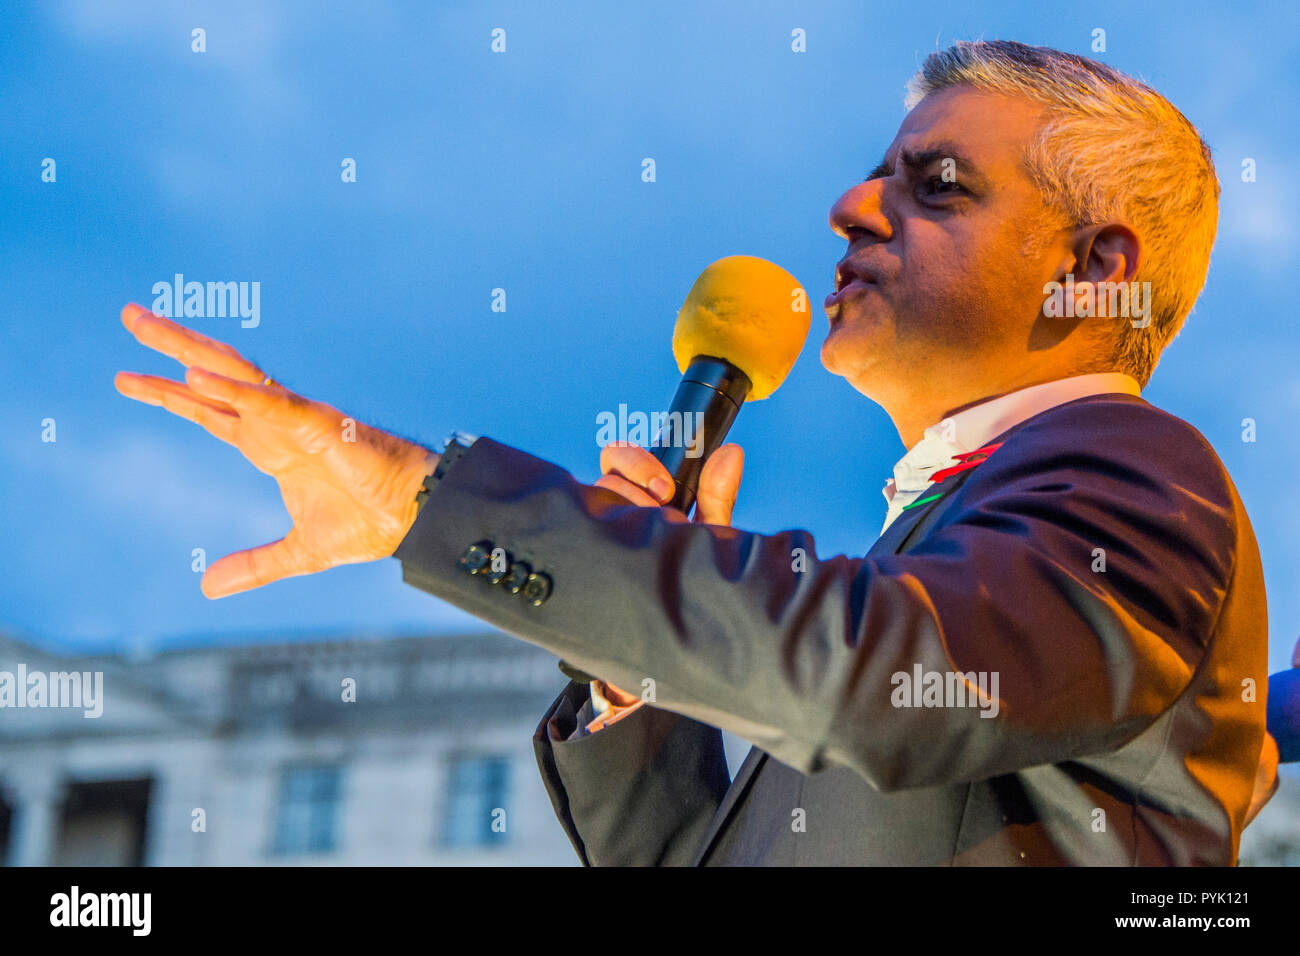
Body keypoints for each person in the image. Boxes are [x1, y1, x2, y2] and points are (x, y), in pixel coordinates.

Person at [116, 40, 1271, 865]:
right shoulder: (946, 542)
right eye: (879, 174)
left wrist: (426, 498)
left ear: (1100, 266)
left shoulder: (1135, 471)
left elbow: (870, 681)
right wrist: (639, 669)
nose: (850, 206)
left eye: (936, 186)